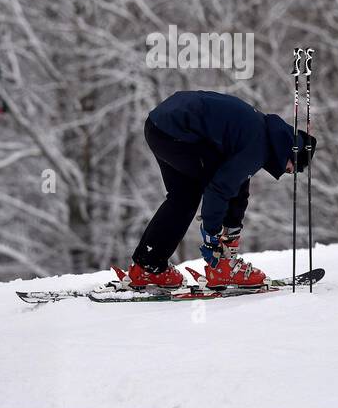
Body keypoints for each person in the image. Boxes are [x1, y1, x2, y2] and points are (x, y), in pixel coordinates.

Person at [129, 90, 318, 289]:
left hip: (160, 126)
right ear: (290, 152)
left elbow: (238, 185)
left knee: (183, 197)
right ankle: (220, 268)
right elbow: (219, 188)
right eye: (294, 168)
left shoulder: (259, 134)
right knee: (195, 192)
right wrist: (212, 236)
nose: (289, 172)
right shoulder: (258, 146)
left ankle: (148, 266)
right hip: (176, 132)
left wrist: (231, 229)